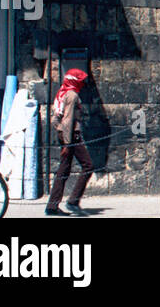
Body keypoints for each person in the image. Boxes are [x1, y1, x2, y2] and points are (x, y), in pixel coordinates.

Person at [46, 68, 94, 216]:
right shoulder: (72, 95)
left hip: (64, 134)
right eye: (80, 81)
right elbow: (68, 120)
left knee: (64, 169)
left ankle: (53, 206)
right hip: (71, 136)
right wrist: (67, 143)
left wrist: (59, 132)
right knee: (88, 165)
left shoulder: (62, 92)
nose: (82, 84)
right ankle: (72, 201)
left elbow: (55, 118)